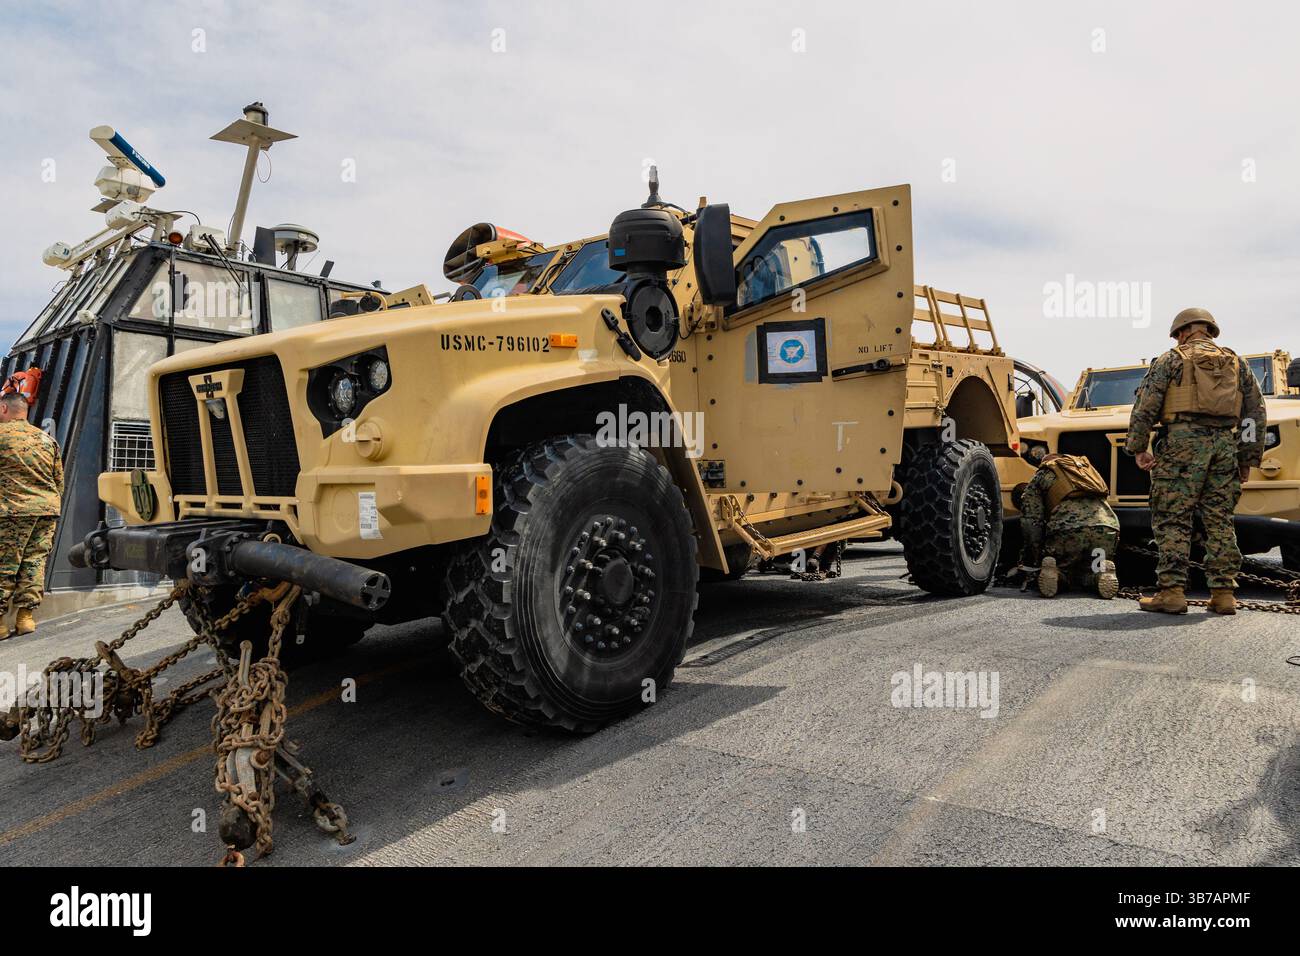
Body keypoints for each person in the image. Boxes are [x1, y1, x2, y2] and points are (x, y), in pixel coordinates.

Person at [1125, 308, 1265, 615]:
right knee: (1220, 520)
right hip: (1224, 447)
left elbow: (1146, 404)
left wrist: (1139, 446)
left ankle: (1172, 592)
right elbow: (1254, 413)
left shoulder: (1171, 359)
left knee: (1173, 517)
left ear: (1181, 332)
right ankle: (1224, 594)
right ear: (1211, 331)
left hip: (1182, 445)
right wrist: (1246, 458)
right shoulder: (1237, 363)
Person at [0, 391, 63, 638]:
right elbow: (59, 481)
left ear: (4, 409)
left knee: (4, 564)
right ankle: (26, 618)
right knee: (34, 561)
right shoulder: (47, 441)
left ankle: (1, 624)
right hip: (46, 510)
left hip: (9, 512)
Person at [1018, 453, 1120, 598]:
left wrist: (1034, 555)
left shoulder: (1043, 474)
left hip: (1067, 531)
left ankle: (1056, 575)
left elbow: (1031, 520)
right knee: (1091, 569)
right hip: (1106, 529)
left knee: (1065, 570)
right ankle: (1100, 575)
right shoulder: (1087, 471)